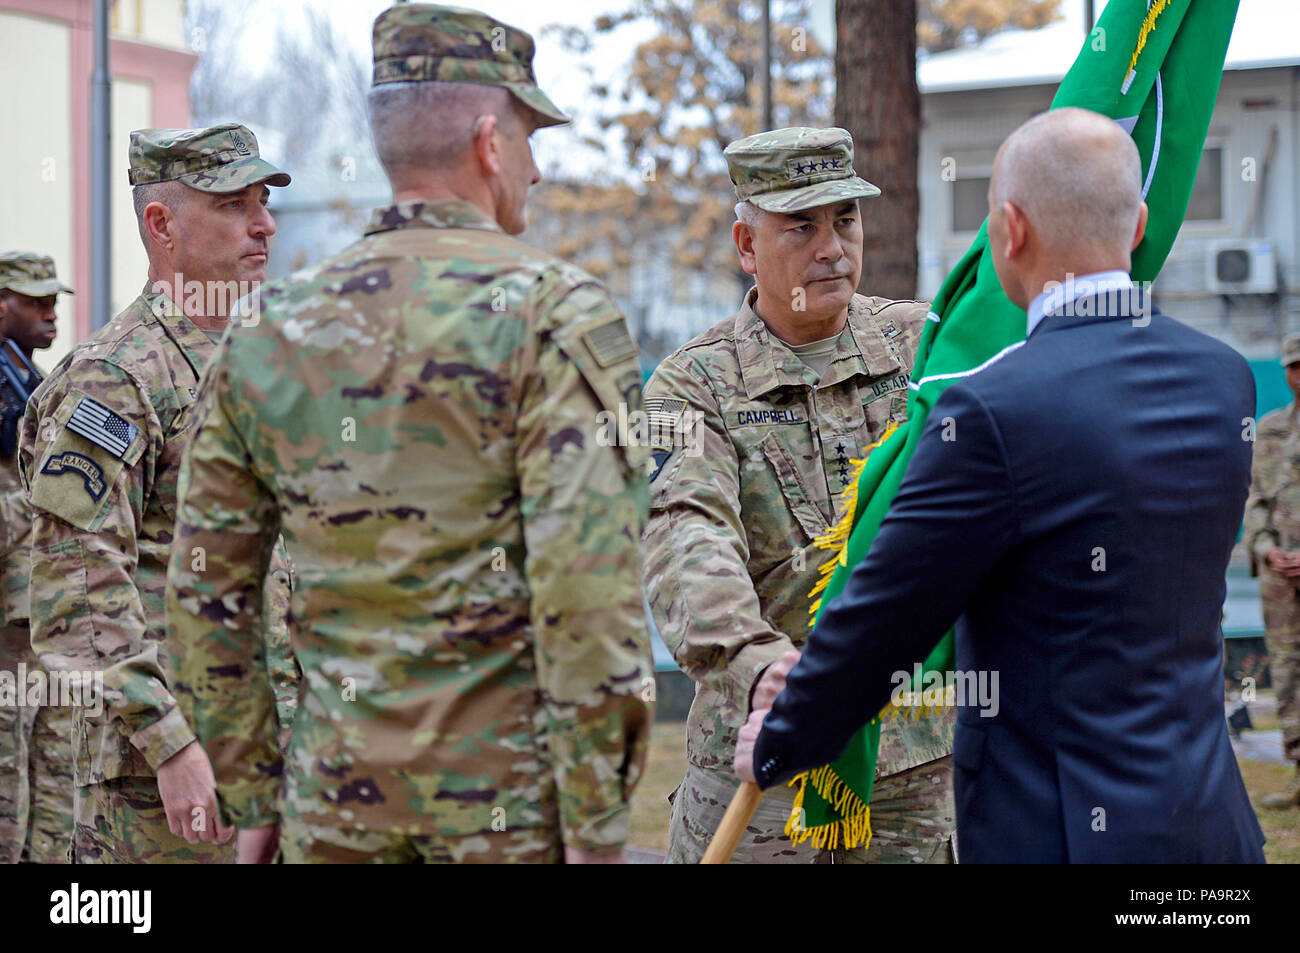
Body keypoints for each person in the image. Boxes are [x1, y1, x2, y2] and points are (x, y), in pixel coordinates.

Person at [164, 2, 654, 865]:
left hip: (331, 815)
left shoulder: (270, 329)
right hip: (508, 825)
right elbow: (588, 597)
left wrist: (258, 792)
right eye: (529, 139)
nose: (536, 171)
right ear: (489, 144)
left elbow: (207, 591)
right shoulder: (554, 315)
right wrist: (598, 831)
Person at [736, 107, 1266, 863]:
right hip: (1211, 831)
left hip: (1059, 832)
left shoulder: (989, 410)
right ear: (1140, 223)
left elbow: (887, 619)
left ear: (1008, 233)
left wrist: (781, 738)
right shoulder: (1225, 380)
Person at [644, 126, 954, 864]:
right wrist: (756, 663)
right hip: (763, 753)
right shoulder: (688, 387)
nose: (831, 247)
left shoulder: (924, 352)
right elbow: (688, 535)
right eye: (801, 226)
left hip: (916, 763)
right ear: (747, 245)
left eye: (845, 219)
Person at [19, 123, 297, 863]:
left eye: (263, 202)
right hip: (165, 784)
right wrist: (171, 745)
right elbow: (77, 589)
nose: (264, 223)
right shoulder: (115, 377)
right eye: (236, 204)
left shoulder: (250, 363)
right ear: (162, 224)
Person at [0, 251, 73, 863]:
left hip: (43, 605)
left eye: (55, 302)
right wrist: (41, 500)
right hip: (10, 614)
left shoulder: (30, 379)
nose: (52, 314)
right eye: (37, 302)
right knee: (6, 760)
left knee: (53, 754)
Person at [1243, 334, 1300, 809]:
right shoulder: (1272, 428)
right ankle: (1299, 769)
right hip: (1280, 578)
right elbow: (1255, 497)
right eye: (1294, 366)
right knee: (1285, 671)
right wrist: (1265, 548)